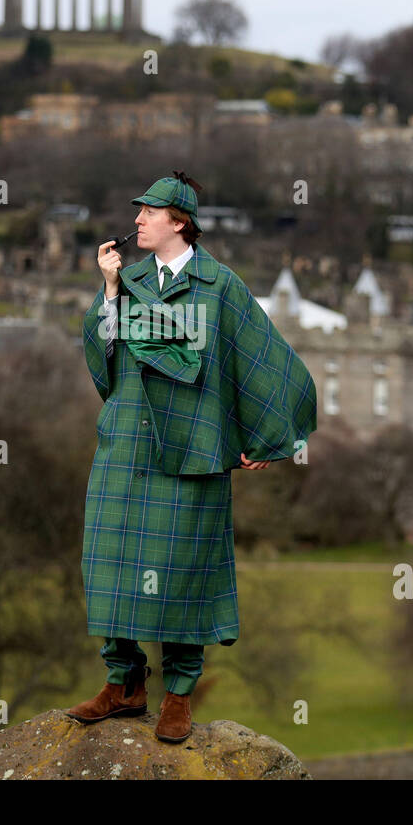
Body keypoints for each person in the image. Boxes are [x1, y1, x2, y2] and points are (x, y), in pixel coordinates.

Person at [66, 170, 317, 744]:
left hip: (193, 450)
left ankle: (178, 695)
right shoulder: (124, 282)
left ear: (179, 222)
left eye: (149, 213)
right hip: (126, 444)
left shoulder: (219, 286)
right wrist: (108, 292)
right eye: (138, 213)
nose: (137, 220)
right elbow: (101, 360)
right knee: (111, 566)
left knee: (184, 576)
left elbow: (263, 360)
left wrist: (265, 437)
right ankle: (123, 687)